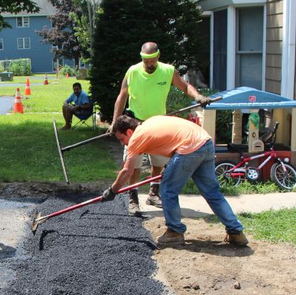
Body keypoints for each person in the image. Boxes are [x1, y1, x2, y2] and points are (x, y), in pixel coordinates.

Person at [103, 115, 248, 247]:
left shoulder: (136, 138)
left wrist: (112, 191)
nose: (122, 143)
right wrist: (171, 166)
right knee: (212, 192)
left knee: (168, 189)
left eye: (121, 139)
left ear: (129, 132)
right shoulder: (149, 123)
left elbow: (127, 171)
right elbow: (174, 139)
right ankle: (236, 232)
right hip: (205, 142)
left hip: (190, 147)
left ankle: (174, 232)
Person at [111, 41, 211, 215]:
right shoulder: (133, 71)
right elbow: (122, 96)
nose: (149, 64)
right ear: (141, 58)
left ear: (158, 56)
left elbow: (185, 86)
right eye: (146, 61)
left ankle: (153, 193)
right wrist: (115, 123)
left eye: (152, 60)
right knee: (134, 164)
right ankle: (133, 199)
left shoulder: (168, 71)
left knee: (158, 161)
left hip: (159, 125)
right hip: (136, 124)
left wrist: (198, 96)